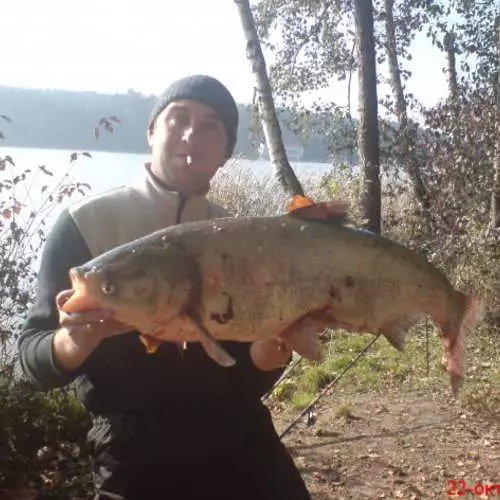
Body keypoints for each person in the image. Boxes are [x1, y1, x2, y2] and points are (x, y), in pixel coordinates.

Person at [18, 75, 318, 499]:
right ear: (152, 131)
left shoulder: (239, 239)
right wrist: (72, 344)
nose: (192, 135)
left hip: (238, 432)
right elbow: (29, 360)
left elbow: (245, 376)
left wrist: (271, 352)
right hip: (132, 448)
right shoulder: (86, 223)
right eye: (178, 119)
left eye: (211, 127)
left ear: (225, 154)